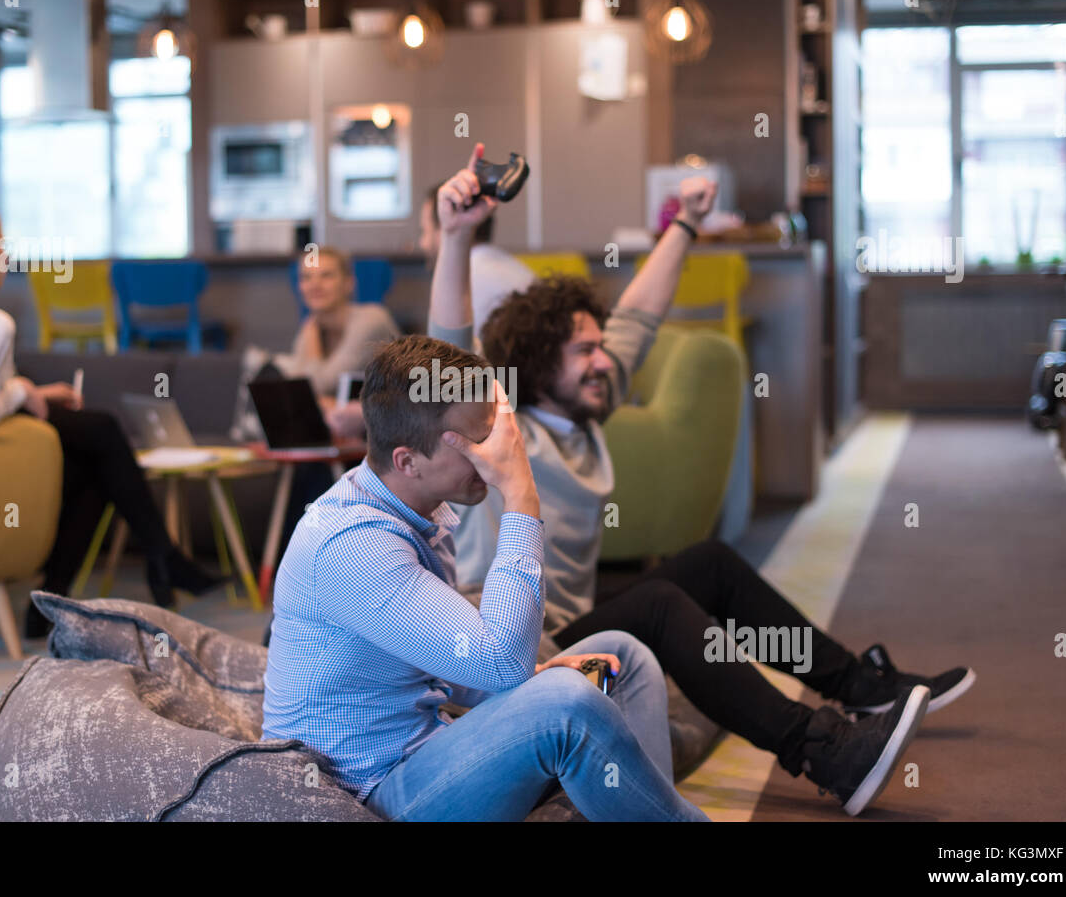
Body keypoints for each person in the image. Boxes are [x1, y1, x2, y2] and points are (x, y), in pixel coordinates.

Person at [427, 144, 965, 816]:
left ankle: (858, 684)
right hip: (513, 647)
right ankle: (821, 750)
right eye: (584, 351)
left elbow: (640, 316)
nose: (602, 360)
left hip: (567, 622)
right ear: (538, 367)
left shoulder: (586, 409)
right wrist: (456, 236)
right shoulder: (501, 431)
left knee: (707, 563)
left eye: (600, 347)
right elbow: (448, 356)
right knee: (657, 606)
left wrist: (685, 221)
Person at [263, 332, 710, 821]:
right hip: (373, 791)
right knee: (567, 705)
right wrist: (520, 494)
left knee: (624, 660)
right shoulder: (354, 547)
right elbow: (500, 664)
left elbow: (453, 666)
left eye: (492, 431)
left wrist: (541, 674)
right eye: (477, 440)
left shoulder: (413, 508)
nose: (496, 453)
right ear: (407, 461)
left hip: (423, 751)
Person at [0, 200, 224, 638]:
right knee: (101, 433)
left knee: (93, 459)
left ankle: (62, 594)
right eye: (0, 245)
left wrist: (29, 393)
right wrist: (23, 391)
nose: (6, 256)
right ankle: (162, 559)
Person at [230, 245, 399, 443]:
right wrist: (323, 403)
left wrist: (312, 342)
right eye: (306, 277)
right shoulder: (311, 328)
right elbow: (297, 393)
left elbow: (319, 384)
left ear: (348, 283)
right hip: (343, 435)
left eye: (326, 276)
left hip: (391, 430)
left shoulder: (372, 319)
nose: (314, 285)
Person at [418, 183, 534, 336]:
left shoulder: (464, 280)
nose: (422, 243)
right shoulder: (512, 266)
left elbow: (442, 356)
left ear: (442, 230)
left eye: (424, 231)